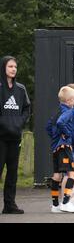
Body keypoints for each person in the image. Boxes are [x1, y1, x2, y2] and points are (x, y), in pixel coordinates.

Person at [46, 86, 74, 213]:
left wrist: (56, 137)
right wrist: (67, 134)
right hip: (64, 147)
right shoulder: (69, 111)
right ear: (70, 101)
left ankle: (55, 205)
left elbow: (49, 126)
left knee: (57, 175)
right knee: (73, 174)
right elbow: (60, 123)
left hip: (55, 147)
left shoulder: (58, 110)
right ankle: (66, 202)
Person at [0, 56, 31, 214]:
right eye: (10, 66)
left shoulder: (20, 88)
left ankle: (9, 205)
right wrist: (5, 123)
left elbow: (27, 109)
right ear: (3, 67)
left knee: (12, 173)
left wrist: (19, 123)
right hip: (1, 137)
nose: (13, 69)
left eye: (15, 67)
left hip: (15, 137)